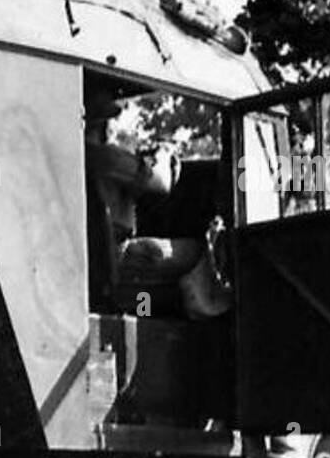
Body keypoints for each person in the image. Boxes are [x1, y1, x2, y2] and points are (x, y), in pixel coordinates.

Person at [83, 85, 231, 318]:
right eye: (109, 121)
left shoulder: (82, 157)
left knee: (153, 288)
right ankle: (216, 310)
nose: (111, 128)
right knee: (193, 251)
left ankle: (148, 309)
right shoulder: (107, 158)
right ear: (99, 124)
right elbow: (162, 182)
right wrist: (165, 154)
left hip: (98, 257)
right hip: (116, 256)